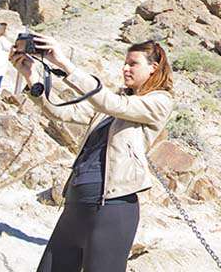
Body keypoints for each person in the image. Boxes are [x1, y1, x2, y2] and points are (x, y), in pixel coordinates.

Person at [9, 34, 175, 272]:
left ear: (153, 68)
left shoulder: (159, 101)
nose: (125, 68)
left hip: (112, 208)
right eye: (125, 62)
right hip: (76, 203)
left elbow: (110, 104)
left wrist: (64, 64)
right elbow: (62, 113)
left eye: (133, 63)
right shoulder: (116, 100)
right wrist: (32, 78)